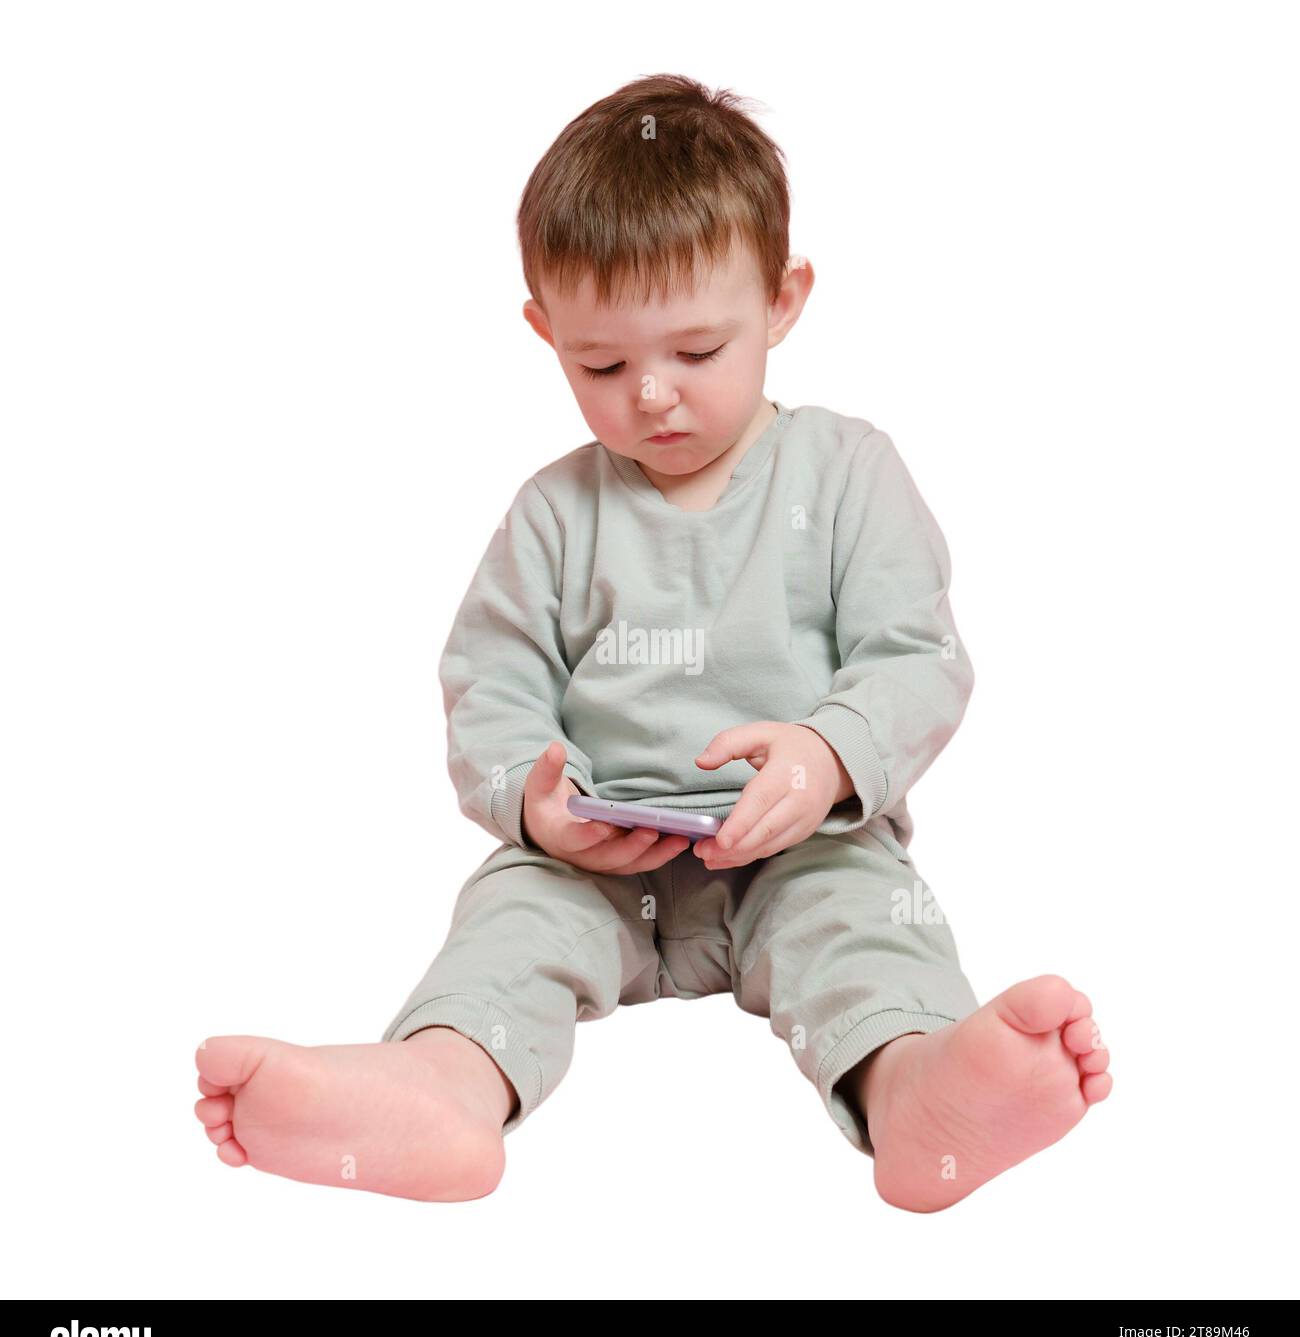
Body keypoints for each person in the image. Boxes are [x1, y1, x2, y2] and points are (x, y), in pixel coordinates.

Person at [194, 74, 1111, 1212]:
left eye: (695, 350)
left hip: (802, 849)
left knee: (864, 932)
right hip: (597, 859)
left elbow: (916, 658)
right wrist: (538, 807)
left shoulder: (846, 472)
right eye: (602, 366)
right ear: (544, 333)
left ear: (783, 301)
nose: (653, 399)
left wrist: (825, 760)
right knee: (509, 926)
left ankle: (913, 1086)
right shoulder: (553, 512)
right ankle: (443, 1087)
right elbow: (491, 681)